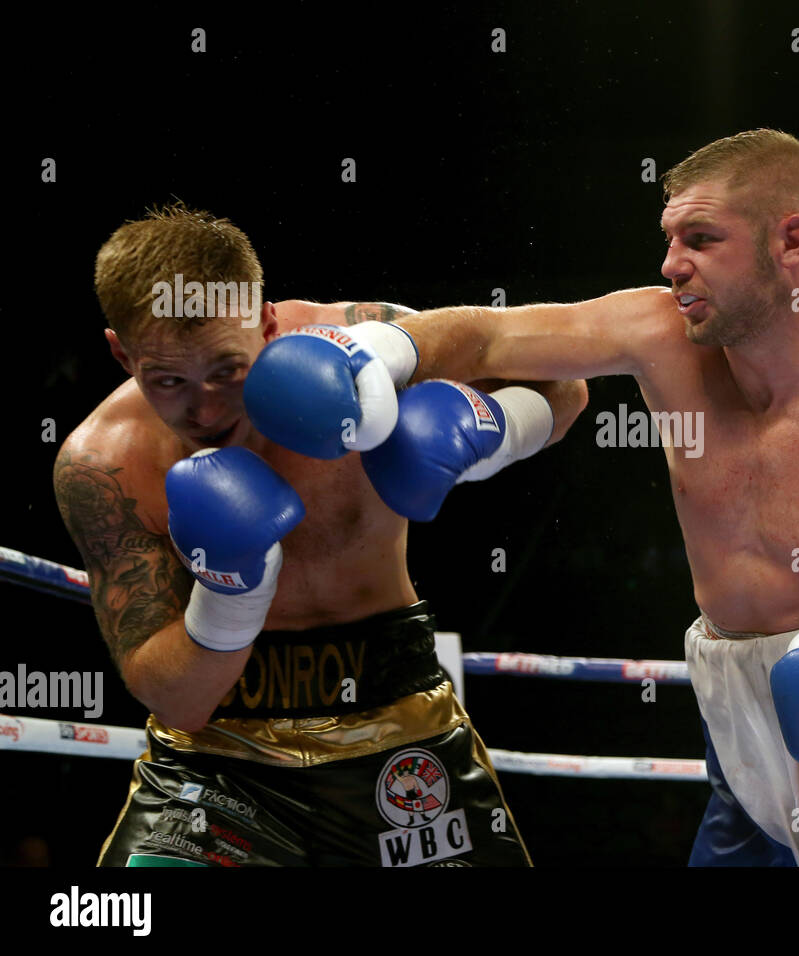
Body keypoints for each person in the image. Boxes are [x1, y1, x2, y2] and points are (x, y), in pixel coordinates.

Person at [249, 130, 799, 866]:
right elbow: (491, 336)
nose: (672, 264)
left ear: (792, 242)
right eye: (670, 239)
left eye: (701, 239)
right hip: (730, 709)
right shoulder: (660, 334)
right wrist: (377, 352)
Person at [53, 203, 586, 866]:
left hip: (400, 728)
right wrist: (231, 592)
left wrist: (491, 428)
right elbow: (177, 700)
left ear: (267, 323)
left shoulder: (365, 348)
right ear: (121, 353)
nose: (206, 408)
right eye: (168, 381)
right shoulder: (104, 465)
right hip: (216, 762)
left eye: (226, 369)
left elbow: (567, 387)